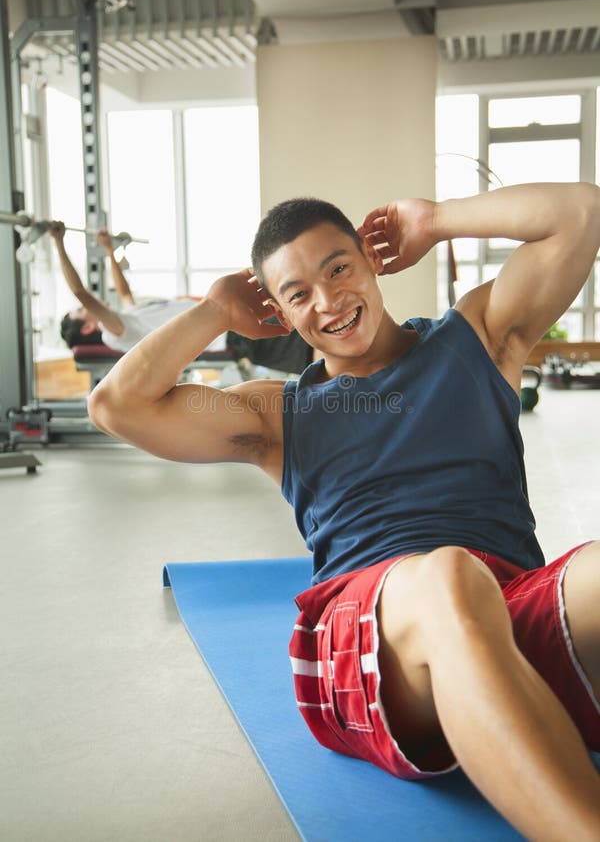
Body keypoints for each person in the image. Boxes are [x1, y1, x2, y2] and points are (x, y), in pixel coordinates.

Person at [88, 183, 600, 840]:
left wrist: (438, 221)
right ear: (279, 312)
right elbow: (117, 407)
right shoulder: (275, 415)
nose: (328, 301)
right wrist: (215, 311)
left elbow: (581, 214)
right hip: (368, 648)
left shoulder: (479, 340)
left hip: (507, 607)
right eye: (298, 293)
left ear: (372, 260)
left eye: (339, 268)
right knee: (449, 576)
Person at [49, 221, 313, 371]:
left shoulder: (128, 317)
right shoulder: (114, 332)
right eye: (81, 311)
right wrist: (58, 242)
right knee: (309, 341)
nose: (84, 306)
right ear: (87, 327)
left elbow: (124, 292)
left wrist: (109, 251)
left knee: (308, 326)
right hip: (230, 331)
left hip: (231, 319)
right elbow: (80, 292)